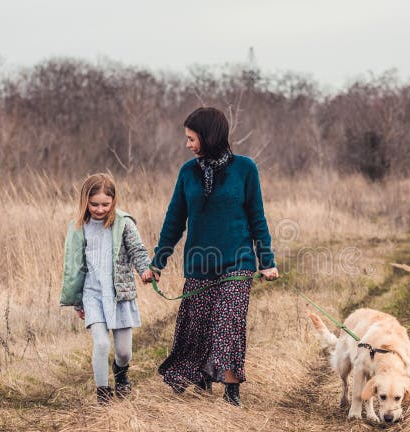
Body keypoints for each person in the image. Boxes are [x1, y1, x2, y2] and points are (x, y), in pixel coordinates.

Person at [143, 107, 279, 406]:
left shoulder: (245, 169)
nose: (188, 144)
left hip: (237, 263)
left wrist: (266, 262)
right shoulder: (187, 173)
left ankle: (231, 393)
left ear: (209, 136)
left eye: (192, 138)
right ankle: (201, 380)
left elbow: (257, 218)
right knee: (198, 329)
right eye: (187, 139)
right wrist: (157, 263)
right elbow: (174, 221)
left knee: (228, 322)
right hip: (199, 265)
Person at [59, 173, 151, 404]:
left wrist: (145, 271)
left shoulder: (123, 223)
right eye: (94, 204)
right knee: (101, 344)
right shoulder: (79, 228)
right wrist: (78, 301)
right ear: (85, 202)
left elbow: (138, 251)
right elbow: (75, 267)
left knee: (123, 352)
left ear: (114, 202)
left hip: (120, 295)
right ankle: (103, 395)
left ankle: (121, 374)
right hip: (93, 295)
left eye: (105, 204)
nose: (99, 209)